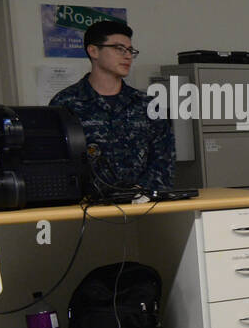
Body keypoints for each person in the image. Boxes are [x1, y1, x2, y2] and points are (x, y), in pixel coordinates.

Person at [50, 19, 174, 196]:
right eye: (119, 49)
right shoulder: (66, 103)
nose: (128, 56)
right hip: (86, 209)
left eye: (130, 51)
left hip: (142, 206)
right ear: (93, 51)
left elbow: (164, 161)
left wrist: (140, 193)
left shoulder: (147, 104)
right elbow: (57, 165)